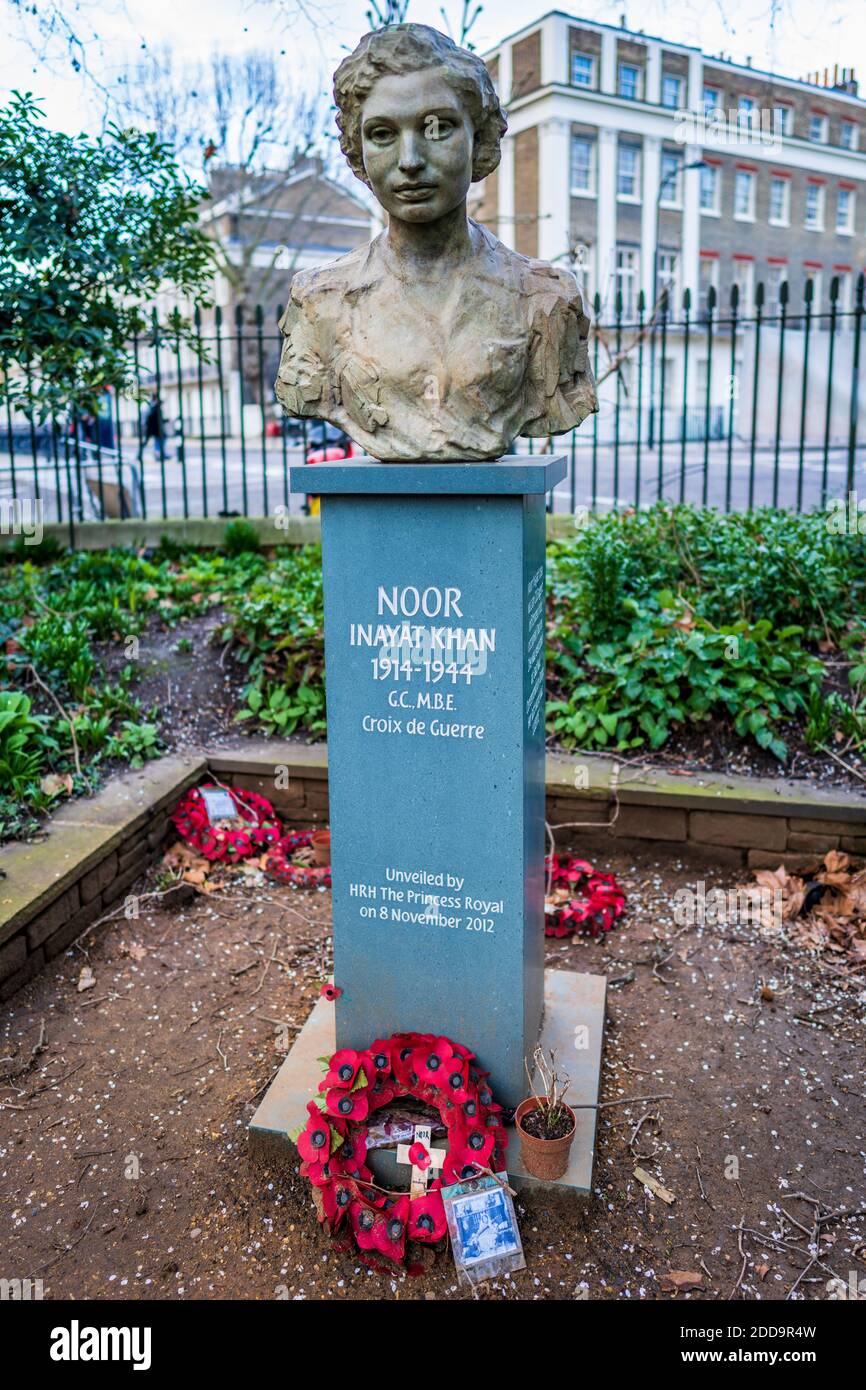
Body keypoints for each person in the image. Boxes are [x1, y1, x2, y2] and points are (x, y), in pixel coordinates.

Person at [275, 24, 597, 462]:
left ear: (478, 139)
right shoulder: (318, 303)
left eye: (438, 128)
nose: (410, 161)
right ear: (358, 149)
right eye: (382, 134)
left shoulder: (547, 299)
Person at [144, 393, 170, 462]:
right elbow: (156, 420)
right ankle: (159, 455)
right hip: (157, 430)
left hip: (156, 430)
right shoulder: (155, 408)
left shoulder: (152, 407)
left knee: (159, 442)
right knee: (160, 442)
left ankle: (160, 454)